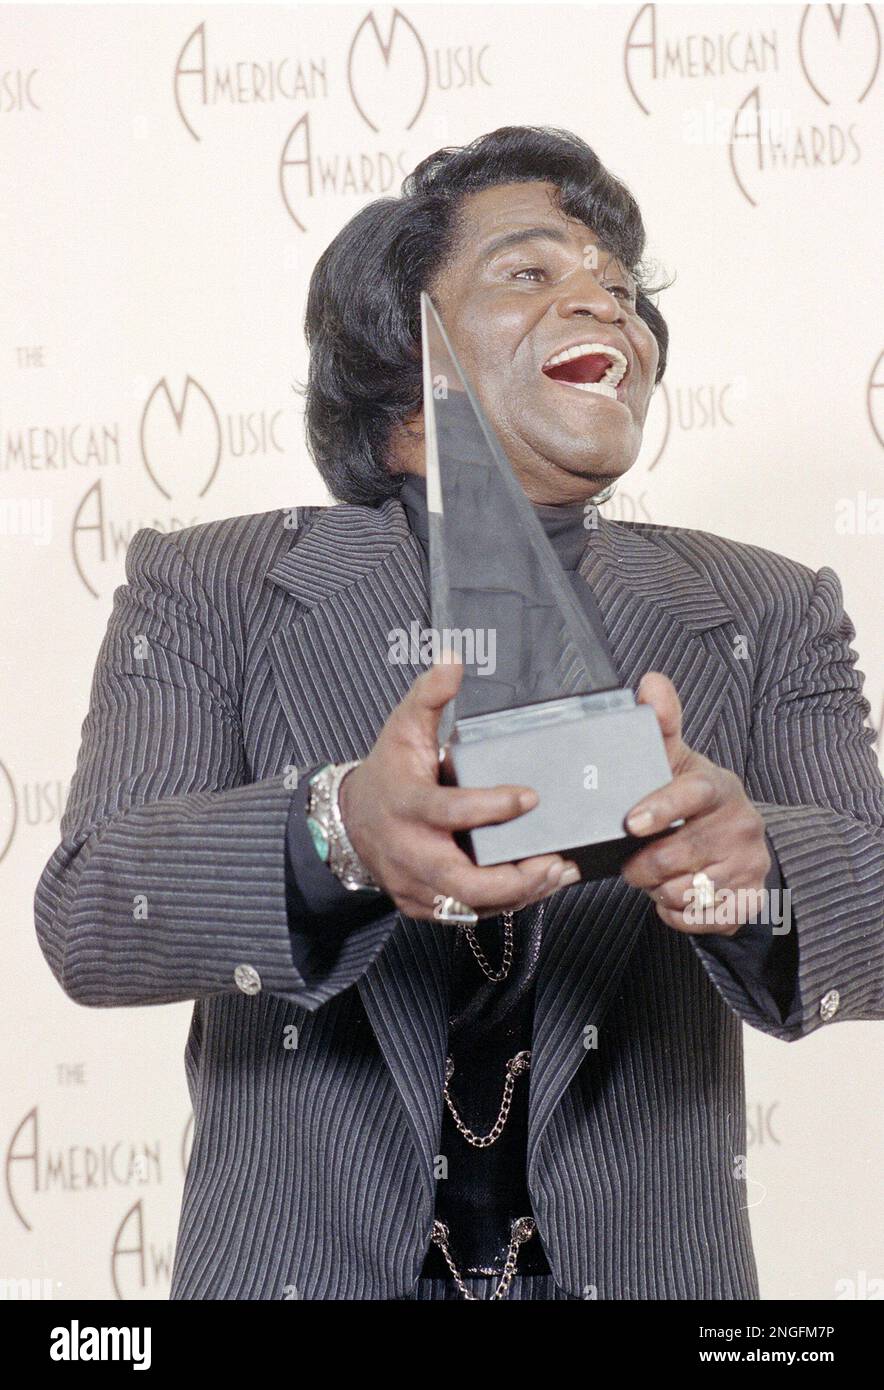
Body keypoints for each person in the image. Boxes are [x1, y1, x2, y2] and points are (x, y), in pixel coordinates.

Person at [35, 126, 884, 1301]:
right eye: (530, 271)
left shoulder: (767, 606)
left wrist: (759, 870)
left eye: (623, 291)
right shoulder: (209, 584)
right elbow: (91, 914)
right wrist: (337, 833)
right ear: (402, 341)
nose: (604, 299)